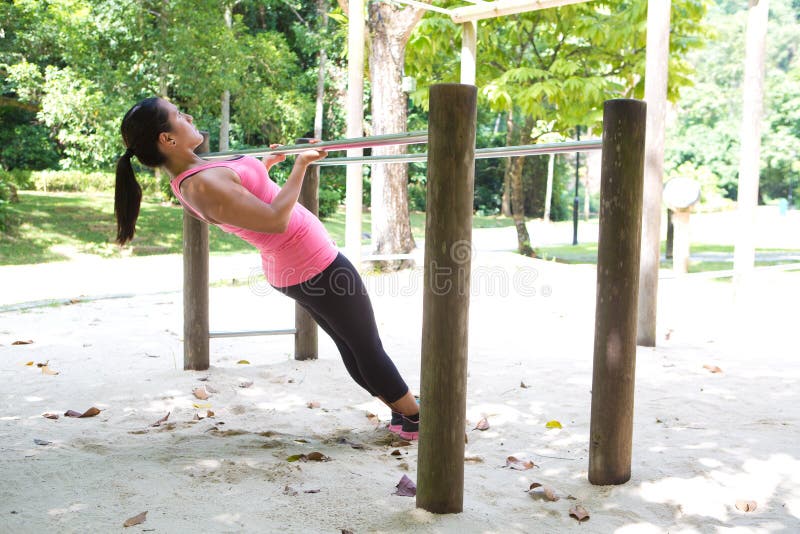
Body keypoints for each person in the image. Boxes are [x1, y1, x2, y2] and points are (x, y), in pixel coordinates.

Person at [114, 97, 419, 440]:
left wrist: (265, 165)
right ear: (167, 140)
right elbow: (273, 220)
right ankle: (418, 418)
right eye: (178, 115)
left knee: (353, 345)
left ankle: (402, 412)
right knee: (366, 347)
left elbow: (246, 197)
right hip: (312, 264)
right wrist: (301, 166)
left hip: (301, 265)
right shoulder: (200, 184)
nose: (188, 115)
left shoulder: (197, 172)